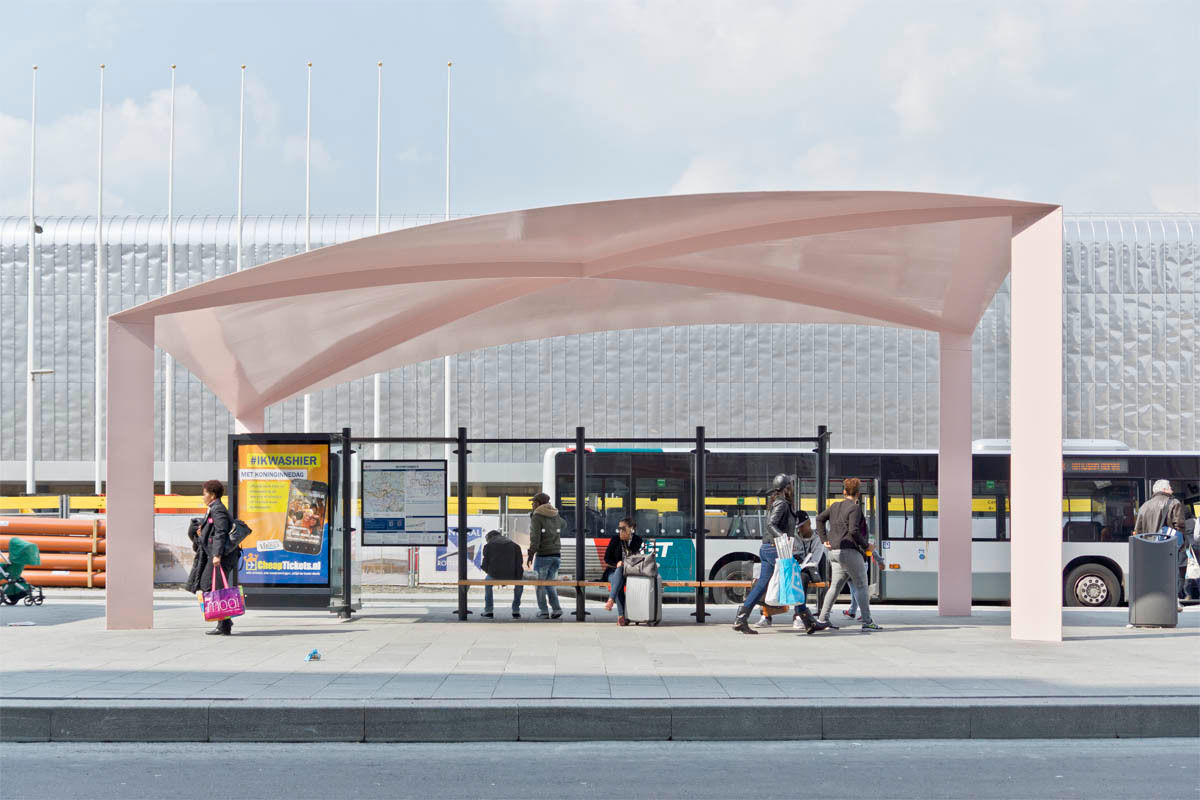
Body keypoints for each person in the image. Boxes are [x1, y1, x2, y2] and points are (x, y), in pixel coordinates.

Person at [734, 474, 826, 634]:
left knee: (763, 584)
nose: (792, 489)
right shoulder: (782, 504)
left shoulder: (780, 503)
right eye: (790, 486)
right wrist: (782, 538)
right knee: (794, 579)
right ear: (786, 488)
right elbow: (771, 524)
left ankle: (741, 619)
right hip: (776, 549)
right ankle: (808, 621)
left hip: (768, 548)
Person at [816, 478, 882, 631]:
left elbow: (819, 519)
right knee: (861, 586)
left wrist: (824, 539)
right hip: (850, 552)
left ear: (844, 492)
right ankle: (867, 622)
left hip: (834, 552)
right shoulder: (855, 508)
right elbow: (854, 531)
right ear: (858, 493)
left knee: (834, 587)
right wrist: (867, 546)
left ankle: (822, 619)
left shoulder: (834, 506)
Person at [755, 506, 830, 633]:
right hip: (793, 566)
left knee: (802, 578)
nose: (800, 530)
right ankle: (766, 615)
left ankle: (798, 616)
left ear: (809, 523)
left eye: (802, 526)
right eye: (798, 527)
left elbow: (814, 561)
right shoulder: (794, 536)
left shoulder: (817, 540)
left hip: (807, 569)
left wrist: (800, 566)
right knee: (773, 575)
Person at [186, 479, 239, 636]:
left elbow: (221, 533)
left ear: (212, 495)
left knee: (209, 585)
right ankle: (224, 624)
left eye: (204, 494)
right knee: (214, 587)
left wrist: (216, 555)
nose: (203, 497)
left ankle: (225, 622)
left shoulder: (218, 510)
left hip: (221, 557)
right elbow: (214, 531)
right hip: (216, 555)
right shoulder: (213, 509)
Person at [1133, 479, 1188, 610]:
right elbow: (1179, 526)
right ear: (1164, 490)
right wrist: (1180, 545)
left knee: (1152, 576)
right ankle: (1172, 602)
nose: (1172, 490)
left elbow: (1138, 530)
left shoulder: (1144, 506)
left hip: (1148, 548)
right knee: (1170, 574)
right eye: (1170, 488)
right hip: (1166, 547)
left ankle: (1152, 602)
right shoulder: (1174, 503)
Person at [527, 492, 564, 619]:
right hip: (556, 555)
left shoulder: (537, 516)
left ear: (538, 503)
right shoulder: (555, 514)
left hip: (543, 555)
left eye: (533, 502)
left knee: (539, 585)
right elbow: (564, 524)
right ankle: (557, 609)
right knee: (549, 584)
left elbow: (535, 538)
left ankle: (543, 611)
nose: (532, 504)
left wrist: (531, 554)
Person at [602, 517, 643, 626]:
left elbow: (632, 556)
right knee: (618, 578)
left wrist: (625, 542)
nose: (620, 531)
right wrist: (616, 564)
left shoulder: (637, 540)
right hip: (612, 571)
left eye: (623, 528)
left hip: (629, 572)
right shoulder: (615, 539)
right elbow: (606, 558)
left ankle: (614, 605)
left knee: (618, 580)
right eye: (619, 528)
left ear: (631, 528)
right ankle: (621, 615)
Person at [480, 529, 524, 619]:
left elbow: (484, 565)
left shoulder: (488, 546)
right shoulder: (515, 546)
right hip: (513, 575)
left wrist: (491, 572)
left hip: (494, 574)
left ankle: (489, 610)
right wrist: (516, 575)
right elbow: (520, 563)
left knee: (487, 584)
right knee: (520, 584)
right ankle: (516, 610)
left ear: (490, 538)